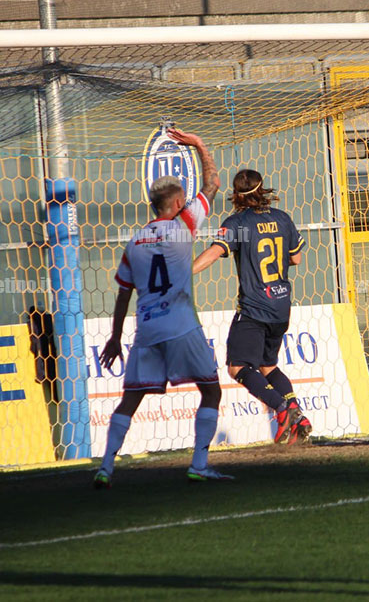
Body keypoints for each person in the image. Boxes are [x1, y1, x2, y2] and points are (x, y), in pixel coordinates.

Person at [94, 128, 231, 487]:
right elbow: (214, 183)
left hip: (148, 329)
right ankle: (199, 465)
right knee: (211, 391)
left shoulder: (134, 242)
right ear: (175, 205)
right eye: (184, 199)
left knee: (131, 398)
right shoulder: (183, 226)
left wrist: (114, 338)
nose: (188, 203)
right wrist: (200, 143)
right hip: (182, 325)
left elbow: (124, 293)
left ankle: (105, 467)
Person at [192, 169, 312, 444]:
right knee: (268, 365)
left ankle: (282, 409)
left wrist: (185, 273)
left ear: (235, 195)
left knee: (238, 367)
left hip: (255, 309)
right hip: (281, 306)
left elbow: (214, 251)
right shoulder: (283, 218)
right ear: (263, 189)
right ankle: (297, 413)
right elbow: (297, 260)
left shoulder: (237, 223)